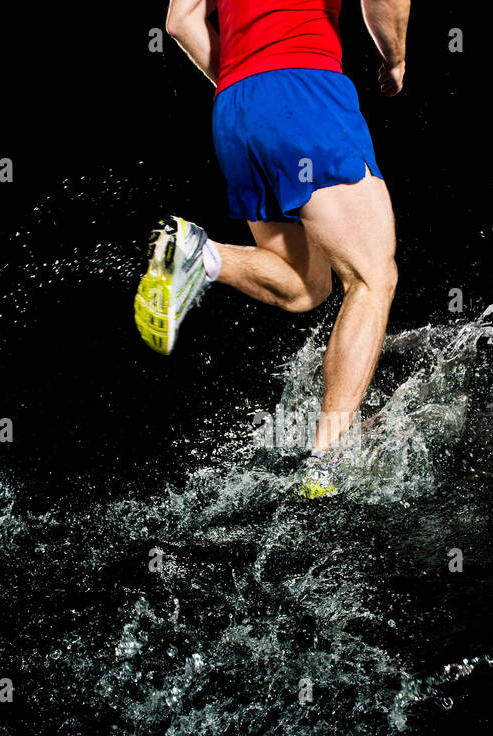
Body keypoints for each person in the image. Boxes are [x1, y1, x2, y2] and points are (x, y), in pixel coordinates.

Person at [136, 0, 409, 498]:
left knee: (306, 285)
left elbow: (178, 22)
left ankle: (201, 254)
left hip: (235, 106)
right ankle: (328, 463)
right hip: (304, 90)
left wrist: (247, 81)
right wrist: (394, 58)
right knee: (373, 278)